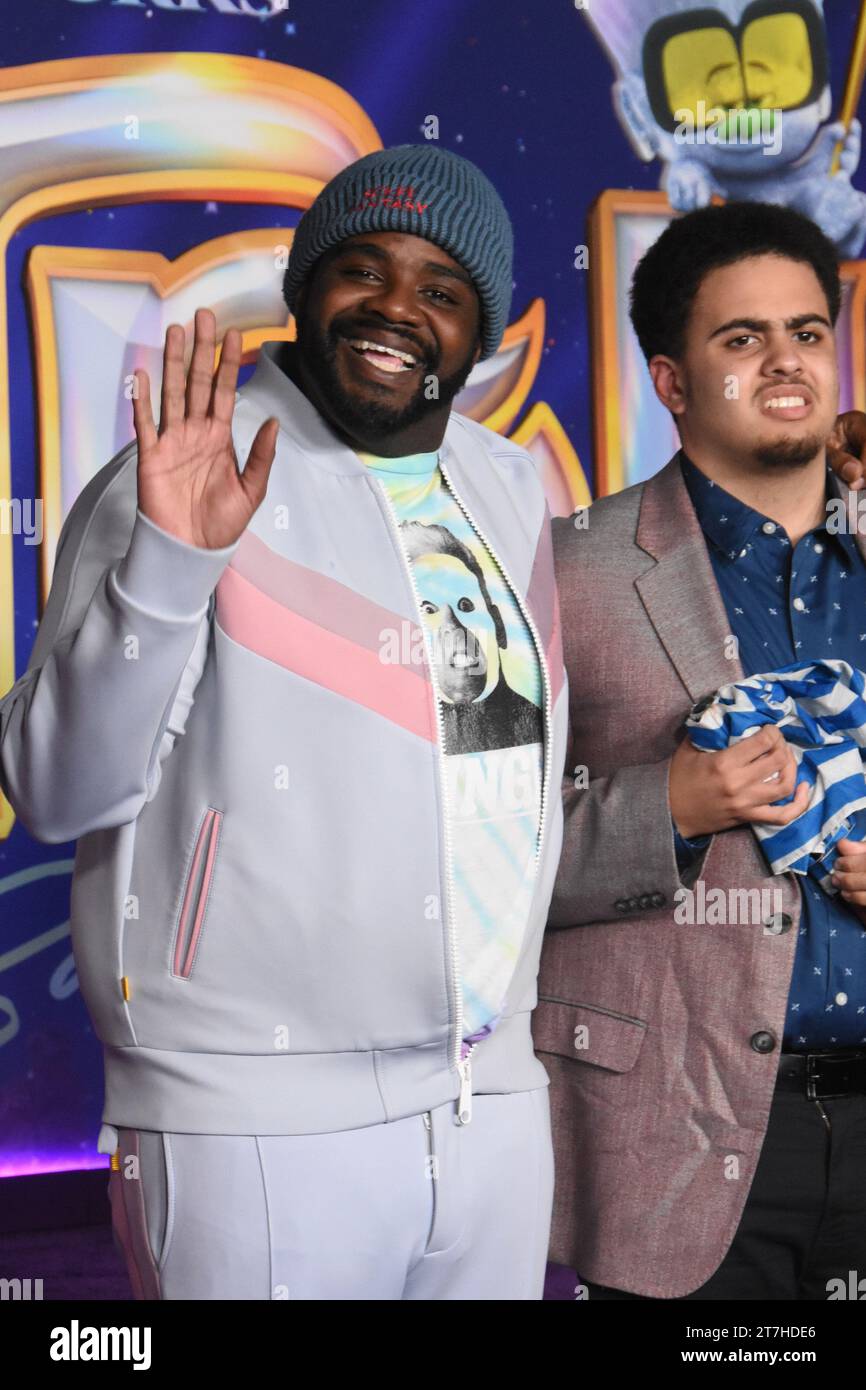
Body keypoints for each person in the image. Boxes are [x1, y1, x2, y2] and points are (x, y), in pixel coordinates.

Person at [0, 144, 568, 1300]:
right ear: (306, 288)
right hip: (249, 1115)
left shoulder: (514, 488)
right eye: (361, 267)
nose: (395, 307)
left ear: (480, 333)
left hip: (492, 1104)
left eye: (440, 289)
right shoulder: (178, 474)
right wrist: (171, 560)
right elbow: (58, 790)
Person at [535, 200, 866, 1300]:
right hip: (675, 1142)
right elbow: (470, 857)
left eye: (807, 331)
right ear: (670, 381)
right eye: (741, 338)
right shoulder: (564, 573)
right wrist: (664, 808)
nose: (784, 361)